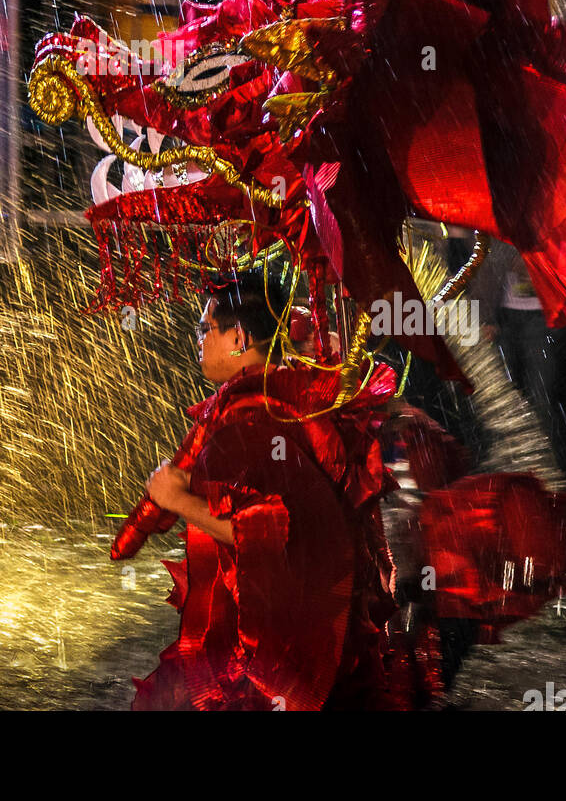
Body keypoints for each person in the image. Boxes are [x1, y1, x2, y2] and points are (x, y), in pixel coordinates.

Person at [132, 271, 399, 711]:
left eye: (204, 329)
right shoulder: (293, 393)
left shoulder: (250, 417)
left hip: (276, 652)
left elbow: (261, 533)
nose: (198, 340)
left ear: (238, 337)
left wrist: (176, 500)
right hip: (329, 626)